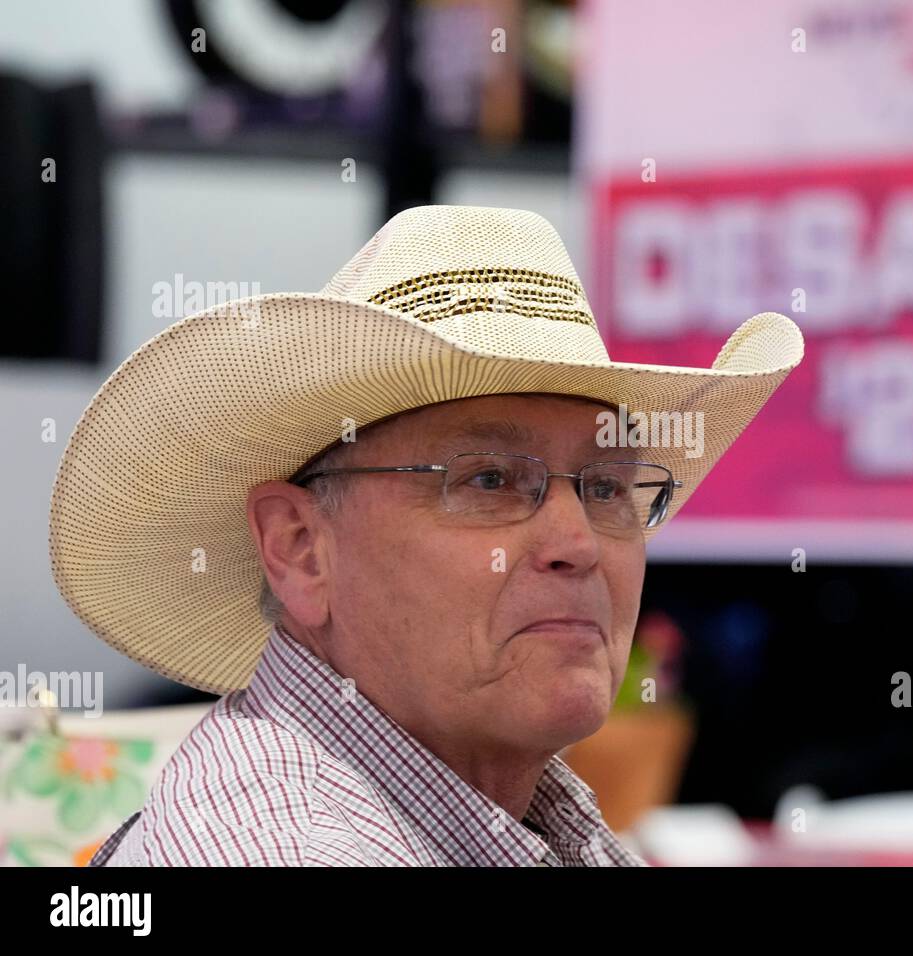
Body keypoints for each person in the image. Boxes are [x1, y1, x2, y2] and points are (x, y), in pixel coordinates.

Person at [48, 204, 803, 866]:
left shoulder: (485, 813)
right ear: (301, 550)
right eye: (489, 480)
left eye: (607, 487)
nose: (579, 542)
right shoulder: (299, 850)